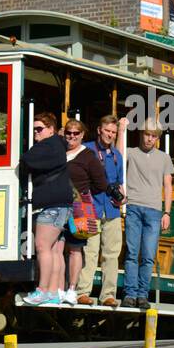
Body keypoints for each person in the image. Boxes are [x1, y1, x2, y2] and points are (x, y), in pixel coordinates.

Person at [18, 112, 74, 306]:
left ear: (51, 129)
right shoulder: (58, 146)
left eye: (39, 129)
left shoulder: (49, 145)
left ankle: (42, 291)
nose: (36, 133)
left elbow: (27, 159)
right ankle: (55, 292)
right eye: (34, 129)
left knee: (42, 247)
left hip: (52, 205)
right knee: (56, 251)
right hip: (62, 206)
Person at [119, 116, 174, 309]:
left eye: (153, 136)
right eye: (147, 134)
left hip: (154, 211)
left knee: (148, 255)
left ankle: (143, 295)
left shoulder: (164, 158)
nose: (149, 139)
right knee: (133, 253)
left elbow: (168, 186)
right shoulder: (131, 153)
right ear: (141, 135)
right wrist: (121, 130)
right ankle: (129, 294)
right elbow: (118, 155)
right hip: (133, 207)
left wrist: (167, 212)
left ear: (157, 138)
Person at [78, 114, 125, 307]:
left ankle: (108, 295)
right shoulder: (87, 150)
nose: (110, 135)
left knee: (112, 254)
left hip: (112, 210)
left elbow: (119, 183)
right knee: (89, 251)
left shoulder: (117, 155)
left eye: (114, 132)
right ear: (99, 130)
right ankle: (82, 292)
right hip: (90, 207)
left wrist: (121, 197)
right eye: (107, 131)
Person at [61, 119, 106, 305]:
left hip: (79, 209)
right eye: (68, 133)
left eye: (76, 133)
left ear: (82, 135)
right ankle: (56, 289)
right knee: (56, 250)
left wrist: (83, 194)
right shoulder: (58, 153)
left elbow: (101, 184)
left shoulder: (88, 156)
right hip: (55, 206)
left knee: (75, 250)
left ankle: (72, 290)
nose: (72, 136)